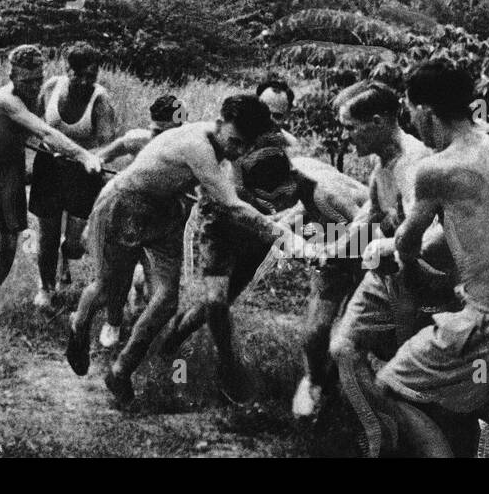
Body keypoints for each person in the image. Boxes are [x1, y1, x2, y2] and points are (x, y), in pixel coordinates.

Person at [66, 95, 309, 407]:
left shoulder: (221, 143)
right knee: (108, 287)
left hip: (164, 211)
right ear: (220, 123)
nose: (237, 151)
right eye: (234, 141)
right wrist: (283, 234)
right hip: (123, 204)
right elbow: (231, 205)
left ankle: (121, 371)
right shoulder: (198, 146)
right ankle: (79, 323)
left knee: (166, 301)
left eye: (244, 146)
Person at [361, 60, 489, 457]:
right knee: (460, 416)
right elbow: (478, 228)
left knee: (391, 385)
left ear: (426, 111)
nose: (411, 121)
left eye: (411, 112)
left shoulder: (435, 170)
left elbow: (406, 246)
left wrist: (388, 250)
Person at [160, 115, 366, 405]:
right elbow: (307, 209)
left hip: (367, 255)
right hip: (335, 245)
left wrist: (330, 254)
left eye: (279, 197)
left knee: (349, 339)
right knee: (314, 336)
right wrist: (287, 225)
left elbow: (366, 230)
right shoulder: (297, 175)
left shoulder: (328, 194)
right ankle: (322, 390)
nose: (277, 203)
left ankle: (342, 394)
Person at [325, 81, 457, 448]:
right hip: (386, 275)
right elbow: (368, 216)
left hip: (422, 279)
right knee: (344, 349)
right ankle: (383, 434)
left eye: (350, 126)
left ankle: (416, 442)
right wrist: (327, 251)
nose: (346, 136)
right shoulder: (382, 167)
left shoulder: (416, 163)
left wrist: (384, 247)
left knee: (410, 379)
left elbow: (432, 234)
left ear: (379, 122)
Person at [0, 45, 103, 309]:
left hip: (12, 170)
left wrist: (65, 156)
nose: (34, 86)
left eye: (37, 79)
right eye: (27, 81)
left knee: (10, 246)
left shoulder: (40, 94)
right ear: (13, 77)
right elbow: (45, 133)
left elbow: (52, 131)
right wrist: (84, 156)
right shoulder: (7, 100)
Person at [91, 94, 188, 347]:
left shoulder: (193, 153)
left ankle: (146, 330)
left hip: (164, 224)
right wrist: (98, 164)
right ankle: (113, 322)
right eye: (156, 131)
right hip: (130, 218)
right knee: (117, 274)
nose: (161, 139)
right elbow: (103, 156)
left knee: (157, 290)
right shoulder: (137, 140)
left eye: (169, 133)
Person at [28, 44, 117, 311]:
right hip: (49, 168)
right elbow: (35, 123)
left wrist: (86, 157)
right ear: (67, 69)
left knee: (74, 245)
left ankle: (67, 258)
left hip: (83, 175)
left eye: (92, 75)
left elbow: (107, 147)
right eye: (79, 74)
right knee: (48, 235)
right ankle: (46, 287)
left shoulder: (101, 101)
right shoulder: (52, 88)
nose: (86, 81)